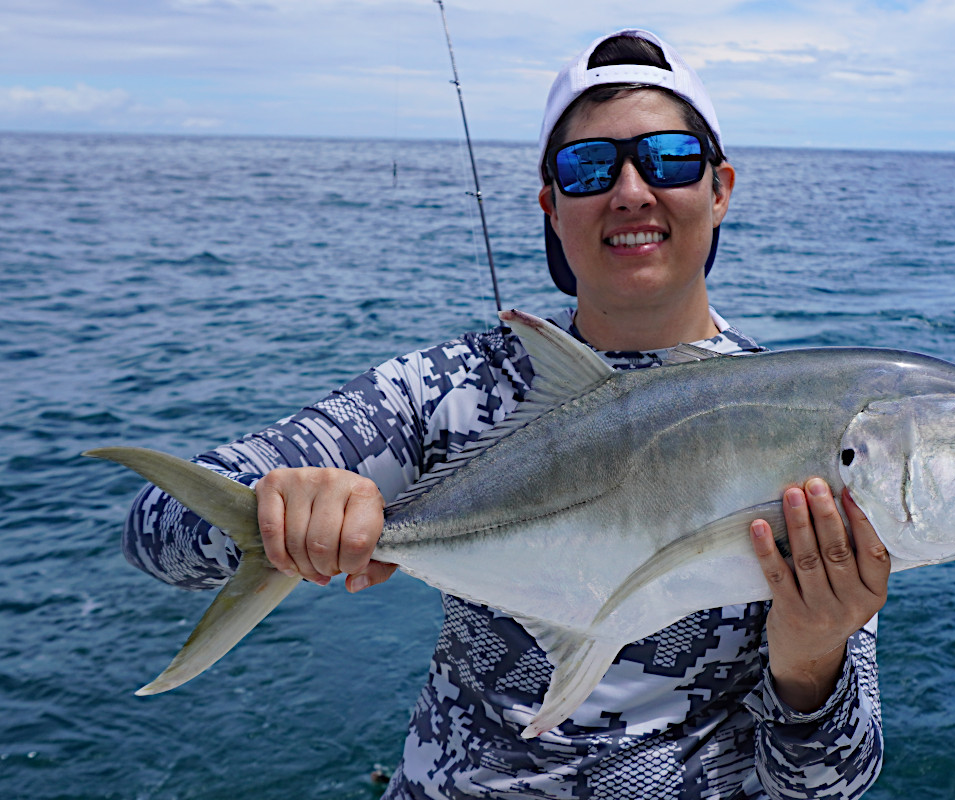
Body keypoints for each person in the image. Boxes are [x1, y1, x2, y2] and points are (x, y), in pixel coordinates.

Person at [123, 28, 889, 799]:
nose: (630, 191)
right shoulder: (455, 386)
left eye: (669, 159)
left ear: (719, 187)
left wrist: (812, 655)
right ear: (552, 206)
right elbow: (155, 533)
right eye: (589, 168)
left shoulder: (801, 418)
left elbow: (827, 788)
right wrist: (280, 511)